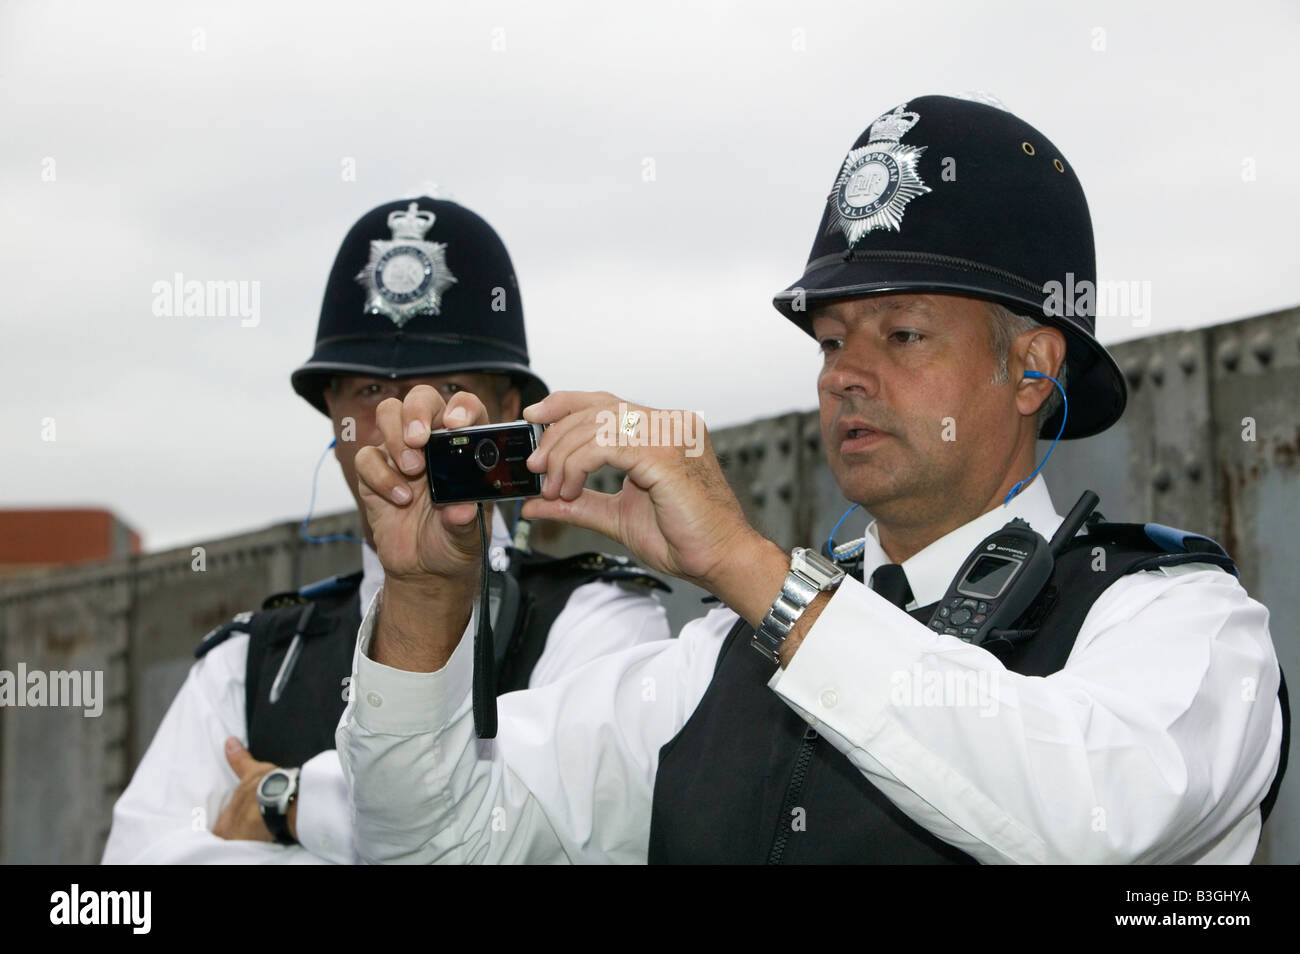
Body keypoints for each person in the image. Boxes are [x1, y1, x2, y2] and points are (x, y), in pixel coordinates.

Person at [338, 97, 1286, 864]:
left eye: (902, 335)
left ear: (1034, 369)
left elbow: (1088, 819)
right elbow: (435, 841)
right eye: (832, 340)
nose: (843, 374)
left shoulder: (1183, 624)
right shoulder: (710, 662)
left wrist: (755, 573)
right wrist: (425, 602)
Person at [101, 197, 671, 864]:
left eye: (445, 385)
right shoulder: (253, 660)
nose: (404, 418)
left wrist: (286, 803)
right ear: (332, 416)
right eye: (370, 394)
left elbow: (553, 835)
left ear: (511, 409)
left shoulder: (601, 622)